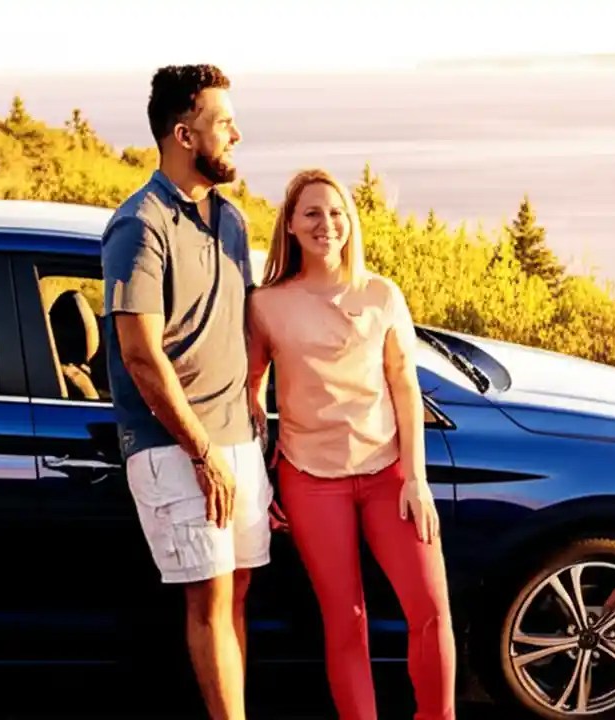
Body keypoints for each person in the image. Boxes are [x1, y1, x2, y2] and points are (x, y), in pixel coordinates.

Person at [247, 168, 456, 720]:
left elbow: (405, 385)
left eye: (336, 212)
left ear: (351, 221)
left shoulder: (382, 294)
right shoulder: (267, 305)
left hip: (389, 474)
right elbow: (250, 393)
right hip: (311, 482)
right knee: (347, 620)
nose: (327, 224)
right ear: (290, 225)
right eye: (311, 213)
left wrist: (417, 478)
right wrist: (260, 477)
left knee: (431, 611)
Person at [101, 64, 272, 720]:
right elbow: (141, 354)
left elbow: (242, 320)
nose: (236, 134)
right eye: (222, 124)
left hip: (238, 439)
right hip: (176, 447)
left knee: (236, 593)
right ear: (183, 133)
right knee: (207, 599)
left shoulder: (230, 220)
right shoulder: (139, 227)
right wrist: (202, 453)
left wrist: (257, 397)